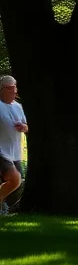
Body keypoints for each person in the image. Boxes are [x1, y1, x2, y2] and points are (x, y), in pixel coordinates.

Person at [0, 75, 28, 215]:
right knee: (15, 178)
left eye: (15, 88)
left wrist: (24, 127)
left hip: (15, 152)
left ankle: (6, 209)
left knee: (17, 184)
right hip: (1, 151)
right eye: (10, 89)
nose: (14, 92)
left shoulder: (18, 107)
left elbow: (27, 126)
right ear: (2, 89)